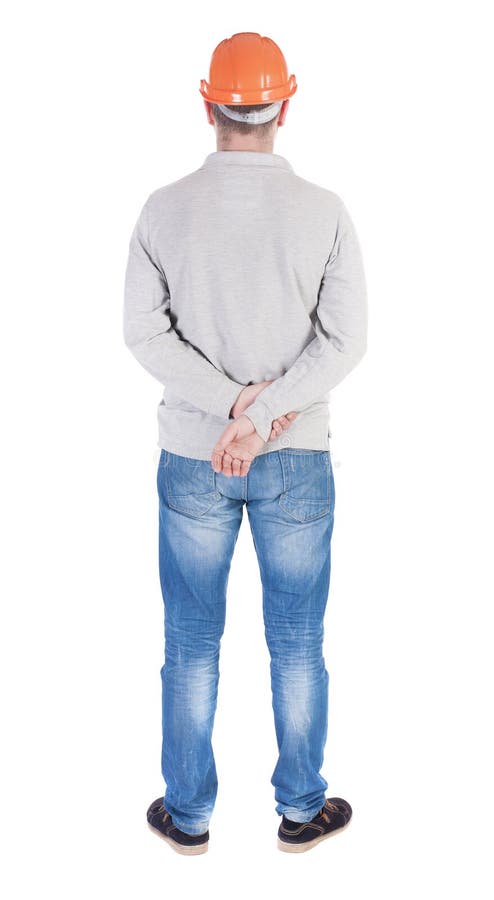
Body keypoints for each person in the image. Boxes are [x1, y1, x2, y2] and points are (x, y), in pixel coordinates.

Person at [123, 31, 367, 855]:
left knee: (190, 640)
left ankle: (187, 817)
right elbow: (344, 342)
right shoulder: (324, 212)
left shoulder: (163, 209)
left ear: (208, 102)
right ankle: (302, 811)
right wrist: (262, 416)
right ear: (284, 104)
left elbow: (143, 336)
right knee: (298, 640)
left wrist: (231, 412)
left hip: (193, 458)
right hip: (298, 459)